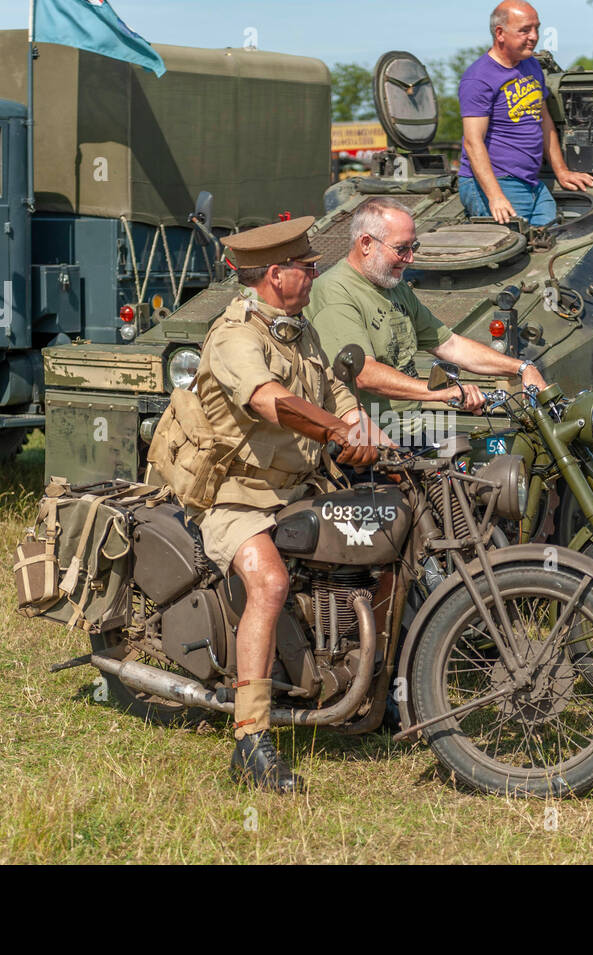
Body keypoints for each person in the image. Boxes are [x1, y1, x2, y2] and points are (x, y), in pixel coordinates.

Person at [191, 217, 382, 793]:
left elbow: (337, 393)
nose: (315, 270)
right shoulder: (234, 337)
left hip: (298, 486)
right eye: (305, 265)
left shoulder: (298, 330)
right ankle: (251, 740)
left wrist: (361, 425)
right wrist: (335, 433)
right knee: (270, 583)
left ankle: (370, 684)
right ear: (276, 275)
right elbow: (270, 400)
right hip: (237, 495)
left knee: (379, 536)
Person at [308, 197, 549, 448]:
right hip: (368, 442)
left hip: (410, 431)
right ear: (366, 243)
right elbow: (364, 374)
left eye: (414, 247)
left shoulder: (393, 286)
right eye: (401, 249)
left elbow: (450, 345)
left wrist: (521, 368)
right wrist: (441, 392)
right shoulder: (336, 293)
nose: (410, 259)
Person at [456, 1, 593, 225]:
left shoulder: (530, 66)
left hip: (531, 182)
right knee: (512, 251)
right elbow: (473, 142)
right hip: (497, 182)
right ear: (500, 33)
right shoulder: (479, 78)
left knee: (550, 237)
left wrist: (562, 171)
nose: (534, 36)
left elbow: (544, 120)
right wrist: (495, 196)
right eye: (525, 30)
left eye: (536, 28)